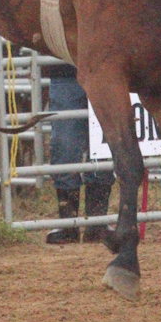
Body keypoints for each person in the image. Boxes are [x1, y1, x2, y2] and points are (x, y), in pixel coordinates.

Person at [43, 64, 114, 245]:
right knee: (64, 145)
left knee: (102, 146)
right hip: (73, 71)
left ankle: (95, 222)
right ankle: (72, 223)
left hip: (99, 72)